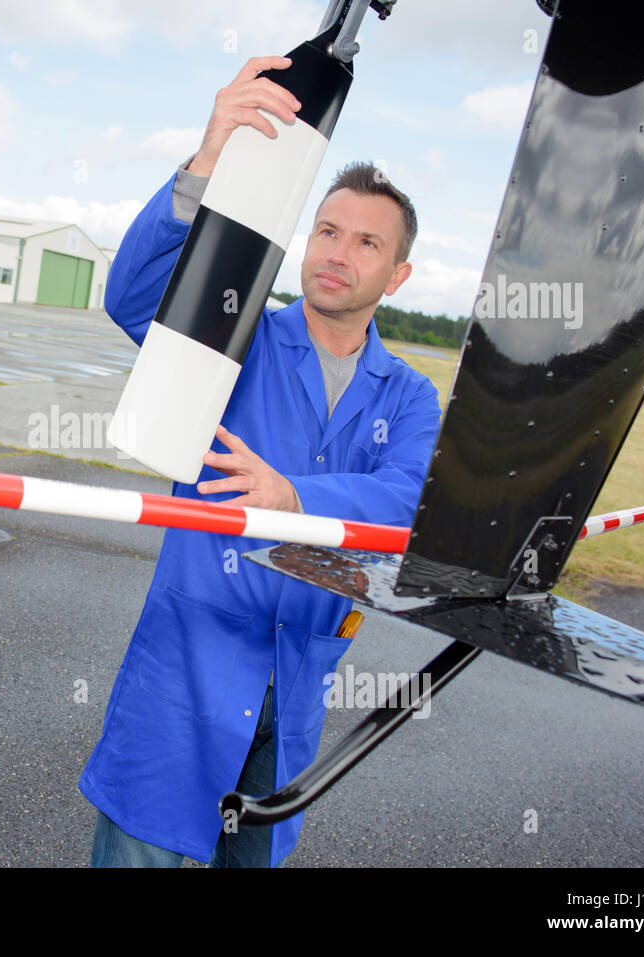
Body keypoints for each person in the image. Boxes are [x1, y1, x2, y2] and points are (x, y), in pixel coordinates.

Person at [79, 56, 443, 867]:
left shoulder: (410, 397)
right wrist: (209, 155)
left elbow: (406, 501)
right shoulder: (234, 334)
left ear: (399, 272)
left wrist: (291, 493)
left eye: (367, 242)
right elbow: (133, 297)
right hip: (183, 681)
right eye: (327, 230)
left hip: (293, 698)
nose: (338, 252)